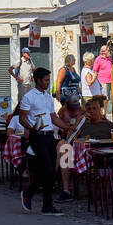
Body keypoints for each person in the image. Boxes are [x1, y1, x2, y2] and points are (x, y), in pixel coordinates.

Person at [18, 68, 64, 215]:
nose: (48, 82)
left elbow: (53, 117)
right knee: (48, 169)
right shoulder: (29, 97)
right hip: (37, 135)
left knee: (50, 171)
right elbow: (22, 117)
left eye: (48, 79)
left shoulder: (47, 97)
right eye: (45, 80)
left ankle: (33, 196)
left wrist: (67, 126)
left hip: (50, 135)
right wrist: (32, 128)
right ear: (38, 80)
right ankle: (46, 204)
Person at [56, 96, 86, 199]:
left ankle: (52, 179)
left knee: (63, 147)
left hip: (78, 142)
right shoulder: (63, 110)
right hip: (67, 138)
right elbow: (57, 123)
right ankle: (64, 187)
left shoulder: (83, 113)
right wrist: (65, 127)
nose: (73, 110)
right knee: (63, 147)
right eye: (71, 108)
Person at [94, 44, 113, 116]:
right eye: (107, 50)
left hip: (110, 81)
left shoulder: (109, 58)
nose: (109, 51)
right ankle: (102, 113)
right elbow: (95, 70)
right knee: (103, 98)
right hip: (102, 81)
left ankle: (104, 112)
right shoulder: (98, 59)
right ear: (103, 52)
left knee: (107, 98)